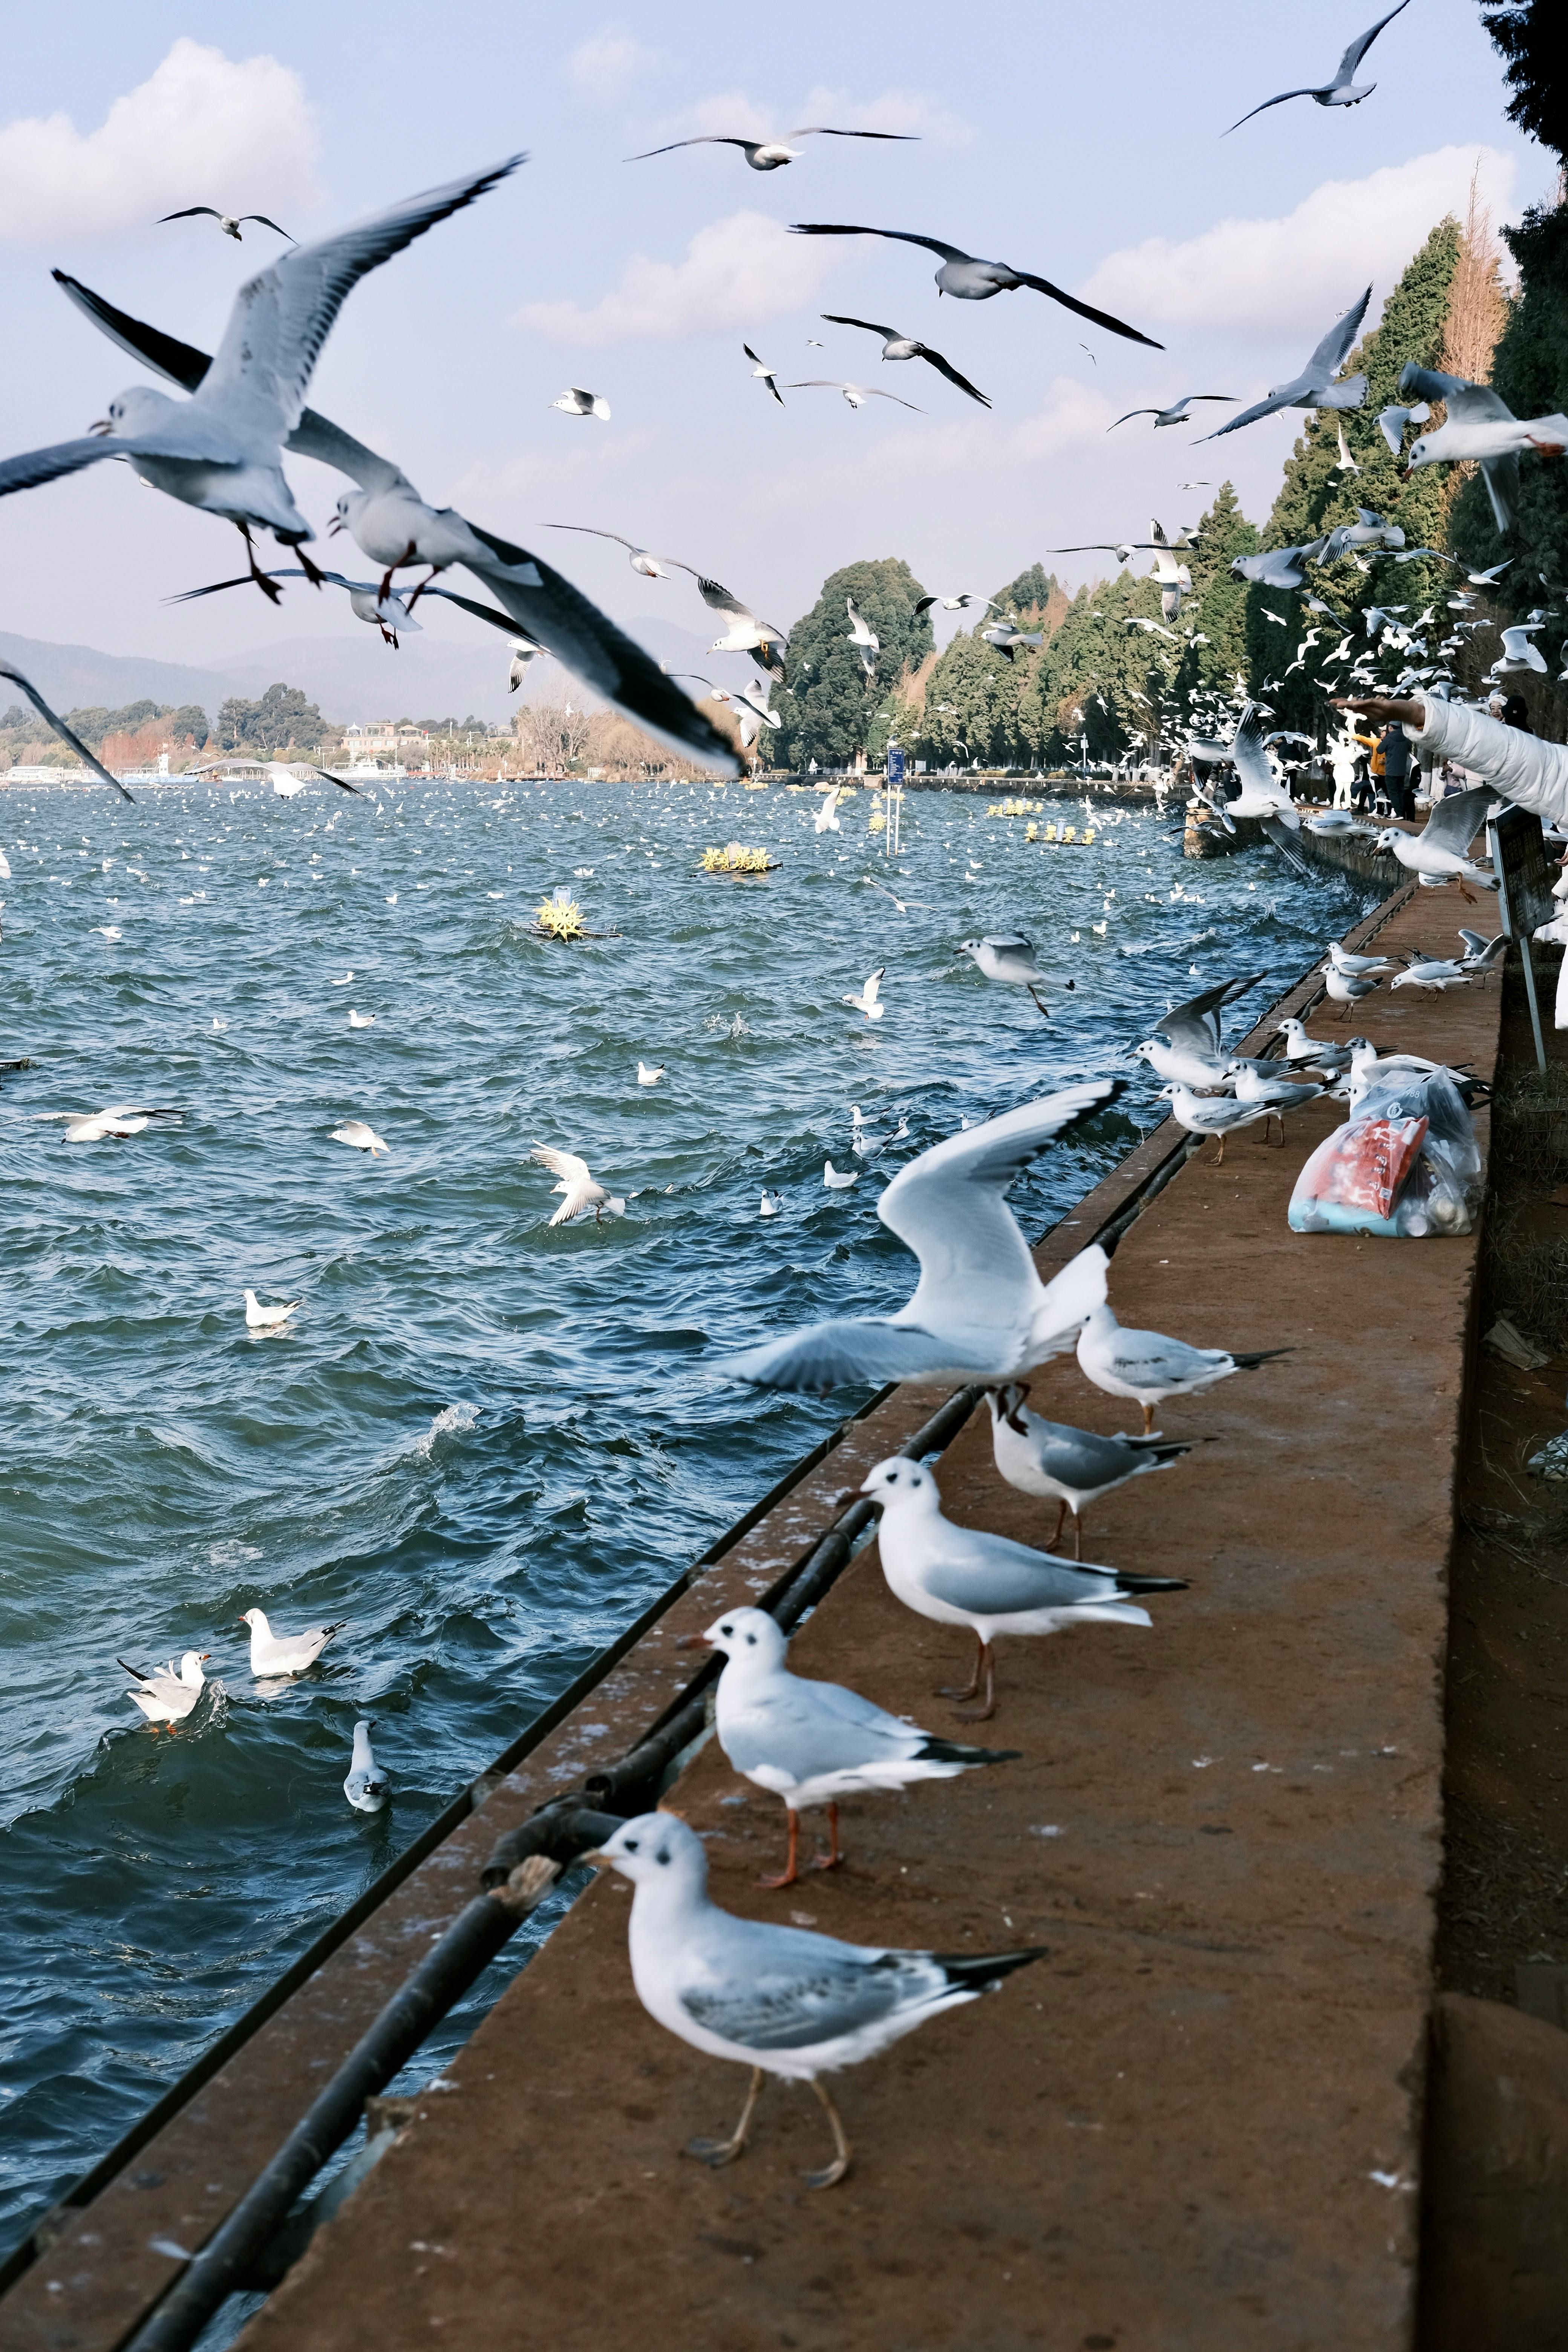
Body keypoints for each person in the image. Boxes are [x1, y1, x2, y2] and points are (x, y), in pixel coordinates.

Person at [1379, 720, 1414, 819]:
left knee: (1393, 792)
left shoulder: (1388, 739)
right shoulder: (1406, 739)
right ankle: (1401, 813)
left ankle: (1399, 814)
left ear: (1391, 728)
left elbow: (1379, 750)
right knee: (1400, 792)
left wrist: (1383, 741)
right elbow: (1409, 749)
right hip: (1402, 770)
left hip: (1391, 770)